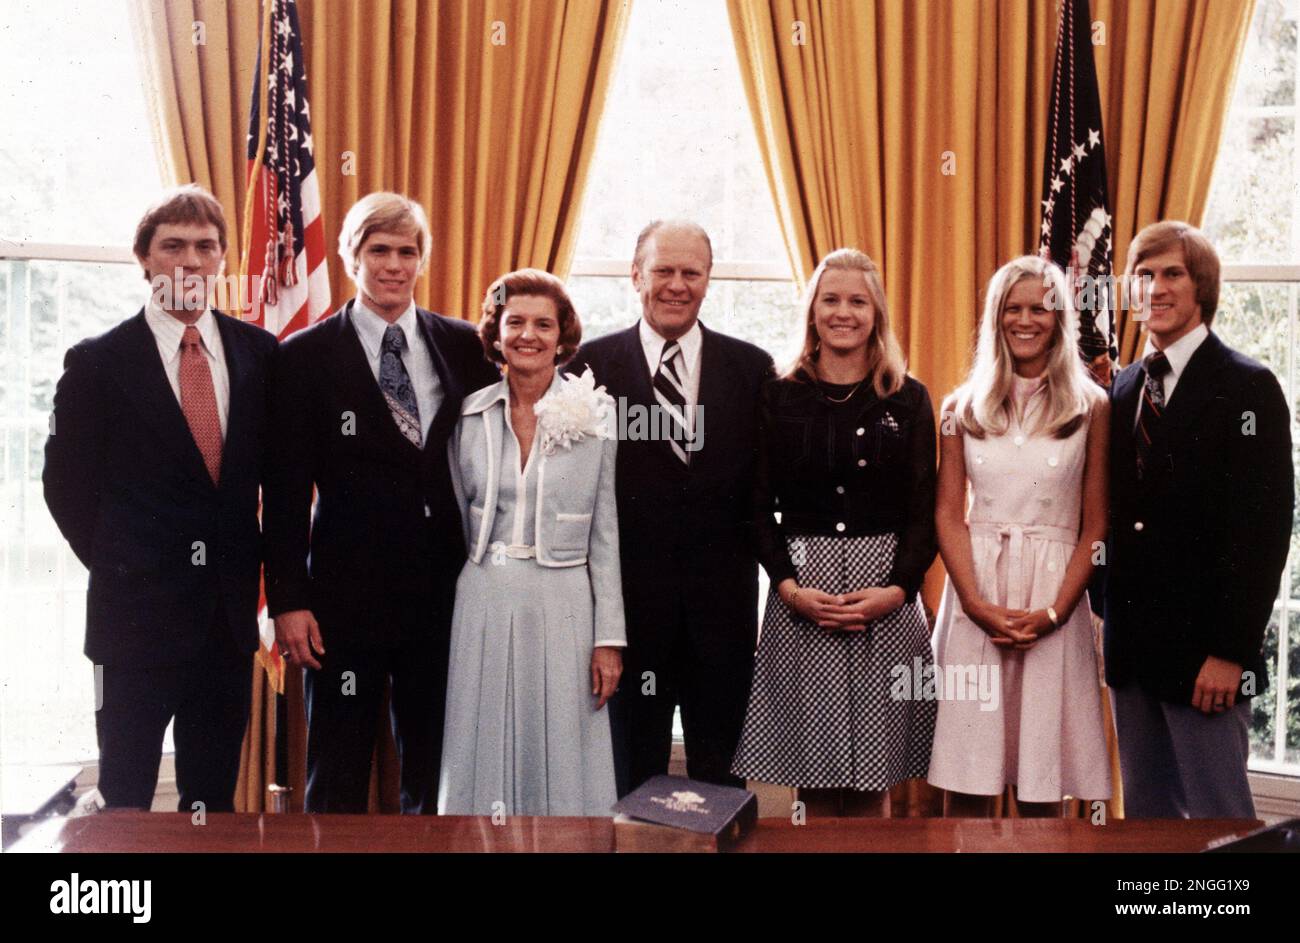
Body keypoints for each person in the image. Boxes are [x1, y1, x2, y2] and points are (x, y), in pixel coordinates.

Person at [43, 185, 277, 811]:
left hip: (226, 625)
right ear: (143, 258)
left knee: (212, 802)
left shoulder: (259, 355)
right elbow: (65, 486)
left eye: (205, 247)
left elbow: (273, 485)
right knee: (126, 798)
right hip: (134, 620)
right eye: (173, 246)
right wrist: (125, 563)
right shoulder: (97, 363)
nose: (190, 261)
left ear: (224, 259)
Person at [263, 192, 499, 813]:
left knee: (437, 771)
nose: (394, 265)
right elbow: (284, 493)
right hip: (343, 603)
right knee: (337, 772)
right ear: (350, 257)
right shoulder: (303, 358)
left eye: (407, 251)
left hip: (444, 595)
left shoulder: (466, 347)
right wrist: (288, 601)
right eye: (378, 251)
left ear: (422, 260)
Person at [567, 220, 775, 793]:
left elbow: (763, 492)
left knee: (722, 777)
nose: (677, 285)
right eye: (663, 271)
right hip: (629, 615)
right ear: (636, 276)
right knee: (633, 773)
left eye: (692, 272)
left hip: (723, 612)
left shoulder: (753, 369)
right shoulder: (588, 369)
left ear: (709, 280)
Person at [731, 248, 937, 817]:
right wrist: (789, 588)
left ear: (877, 314)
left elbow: (927, 509)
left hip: (886, 597)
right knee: (812, 776)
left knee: (875, 778)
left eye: (857, 301)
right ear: (812, 310)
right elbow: (755, 506)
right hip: (804, 594)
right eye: (831, 299)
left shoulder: (909, 396)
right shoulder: (778, 392)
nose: (843, 312)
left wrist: (897, 591)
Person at [1106, 222, 1293, 818]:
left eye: (1172, 274)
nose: (1155, 288)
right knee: (1148, 821)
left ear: (1201, 286)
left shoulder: (1248, 386)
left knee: (1219, 823)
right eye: (1143, 275)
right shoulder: (1124, 386)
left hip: (1208, 657)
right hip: (1132, 653)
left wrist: (1232, 652)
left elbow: (1264, 533)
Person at [926, 255, 1112, 816]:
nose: (1025, 320)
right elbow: (948, 515)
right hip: (976, 597)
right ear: (996, 316)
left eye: (1040, 308)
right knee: (968, 777)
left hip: (1055, 599)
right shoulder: (960, 407)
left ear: (1059, 320)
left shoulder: (1091, 406)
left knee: (1041, 777)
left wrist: (1055, 612)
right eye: (1013, 308)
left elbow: (1096, 525)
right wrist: (977, 605)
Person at [438, 270, 624, 815]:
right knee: (483, 732)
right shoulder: (468, 416)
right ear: (495, 333)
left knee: (563, 736)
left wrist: (608, 637)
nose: (528, 335)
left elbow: (605, 534)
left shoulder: (595, 416)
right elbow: (453, 517)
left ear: (563, 336)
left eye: (544, 324)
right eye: (515, 322)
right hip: (484, 595)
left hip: (566, 603)